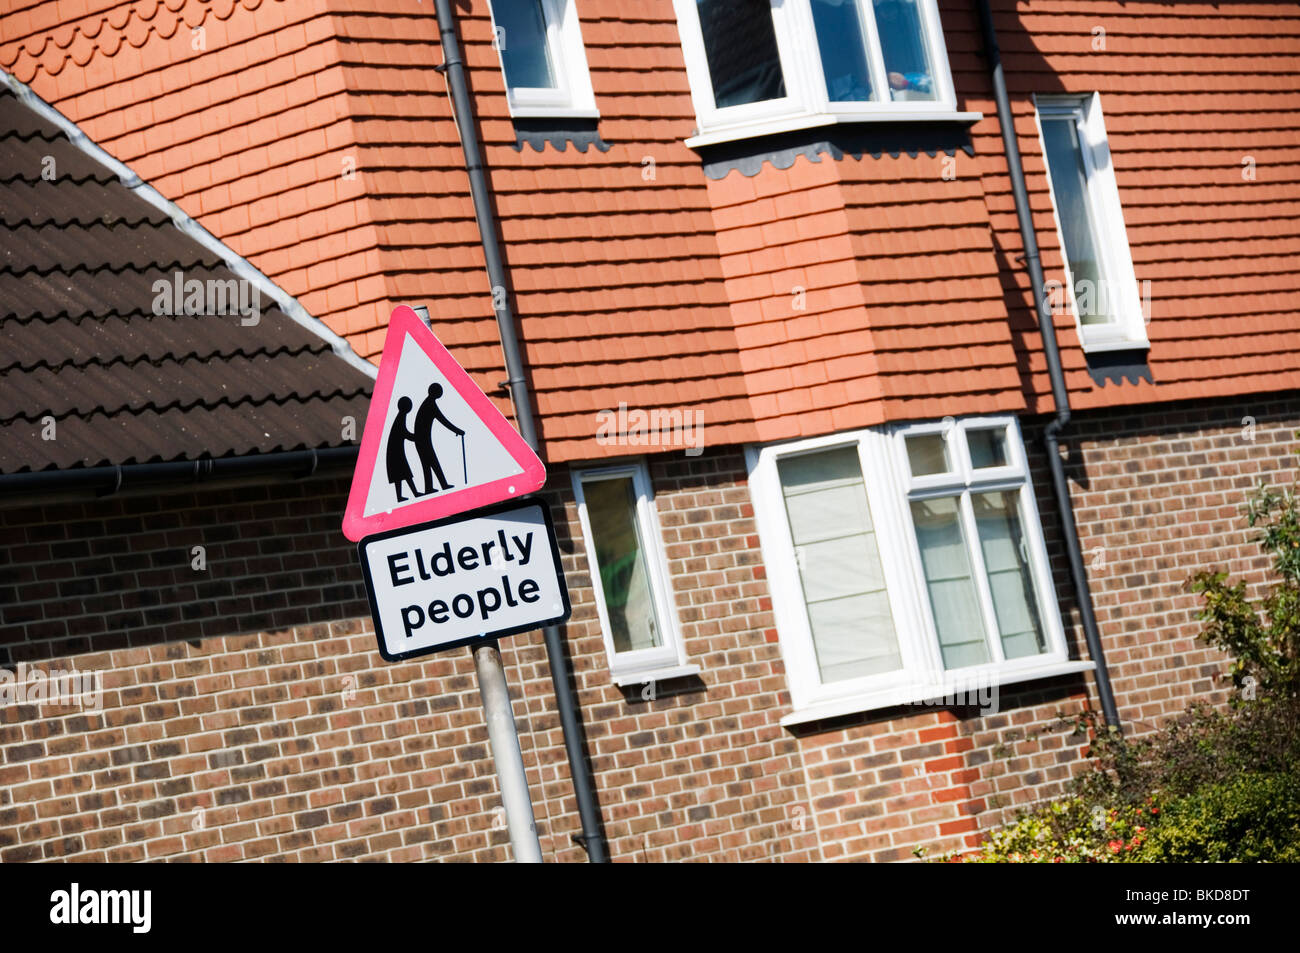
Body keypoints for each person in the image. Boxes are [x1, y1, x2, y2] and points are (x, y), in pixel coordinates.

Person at [413, 383, 465, 495]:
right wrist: (457, 431)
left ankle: (430, 488)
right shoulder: (430, 404)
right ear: (435, 392)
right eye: (439, 391)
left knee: (428, 464)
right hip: (423, 440)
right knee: (432, 463)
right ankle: (442, 485)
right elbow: (443, 420)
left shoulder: (428, 403)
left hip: (421, 439)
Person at [385, 396, 420, 502]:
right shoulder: (400, 418)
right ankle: (411, 493)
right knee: (404, 474)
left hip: (396, 451)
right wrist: (417, 437)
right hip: (396, 453)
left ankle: (408, 494)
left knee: (401, 475)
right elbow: (404, 433)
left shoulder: (400, 417)